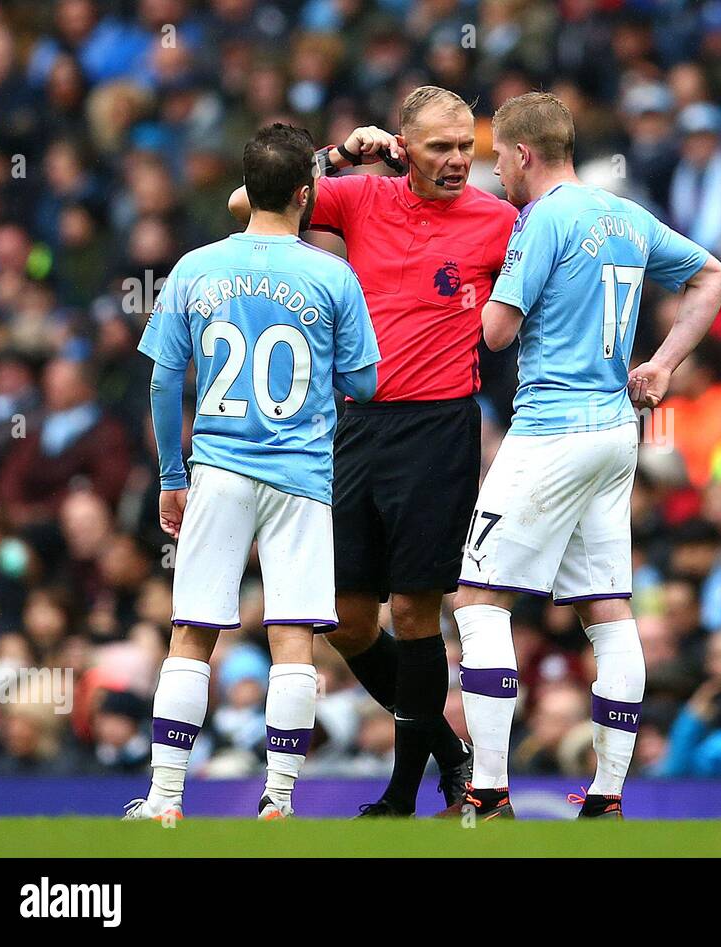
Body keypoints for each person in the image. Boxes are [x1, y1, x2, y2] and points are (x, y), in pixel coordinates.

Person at [228, 86, 518, 816]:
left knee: (418, 614)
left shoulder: (498, 220)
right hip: (357, 426)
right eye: (441, 148)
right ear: (402, 147)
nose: (457, 161)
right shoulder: (360, 197)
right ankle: (452, 759)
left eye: (465, 147)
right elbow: (244, 205)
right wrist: (333, 155)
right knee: (350, 621)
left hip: (438, 427)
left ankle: (401, 793)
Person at [451, 91, 721, 819]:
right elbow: (715, 277)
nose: (499, 178)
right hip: (615, 431)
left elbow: (497, 333)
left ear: (520, 154)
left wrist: (468, 286)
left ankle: (485, 791)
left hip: (551, 427)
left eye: (498, 162)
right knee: (607, 610)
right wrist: (664, 362)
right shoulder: (624, 214)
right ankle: (606, 796)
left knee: (479, 599)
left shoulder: (541, 218)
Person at [125, 123, 380, 822]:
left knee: (192, 631)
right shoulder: (332, 274)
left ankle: (166, 798)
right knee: (293, 634)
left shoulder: (194, 267)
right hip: (301, 474)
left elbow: (163, 379)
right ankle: (279, 799)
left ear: (248, 186)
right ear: (307, 192)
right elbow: (363, 379)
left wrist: (171, 476)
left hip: (218, 467)